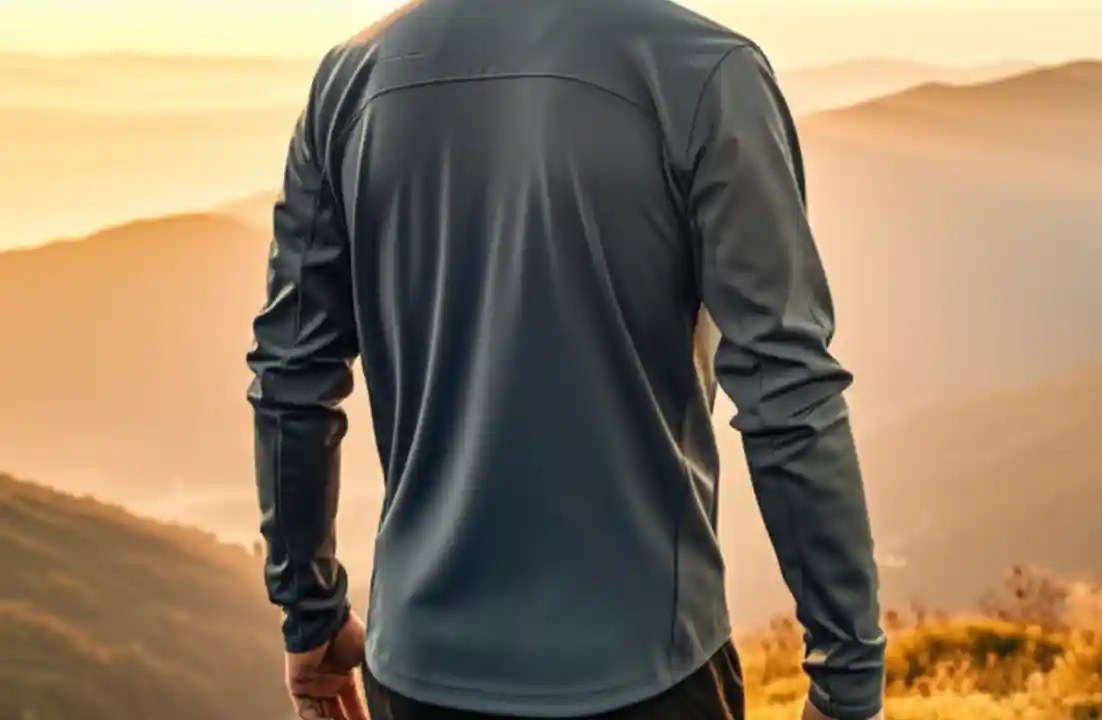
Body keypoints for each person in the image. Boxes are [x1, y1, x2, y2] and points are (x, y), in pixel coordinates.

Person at [246, 1, 886, 719]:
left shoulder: (350, 82)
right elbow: (789, 396)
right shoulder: (702, 72)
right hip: (648, 672)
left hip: (418, 677)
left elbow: (290, 379)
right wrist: (848, 675)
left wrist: (309, 610)